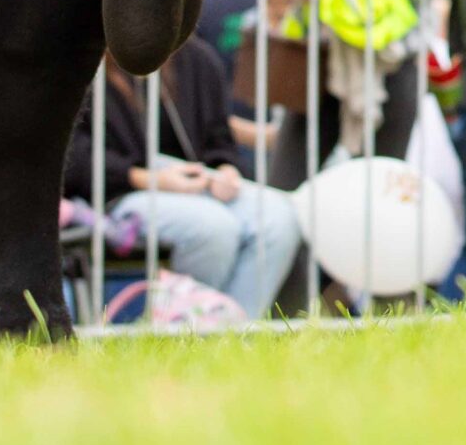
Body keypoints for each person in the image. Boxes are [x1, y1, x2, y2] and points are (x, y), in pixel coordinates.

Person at [66, 39, 302, 319]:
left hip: (197, 183)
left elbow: (219, 136)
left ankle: (233, 330)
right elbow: (74, 159)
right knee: (213, 228)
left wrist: (225, 168)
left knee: (279, 217)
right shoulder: (80, 62)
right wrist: (149, 178)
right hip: (118, 193)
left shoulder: (197, 58)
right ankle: (189, 327)